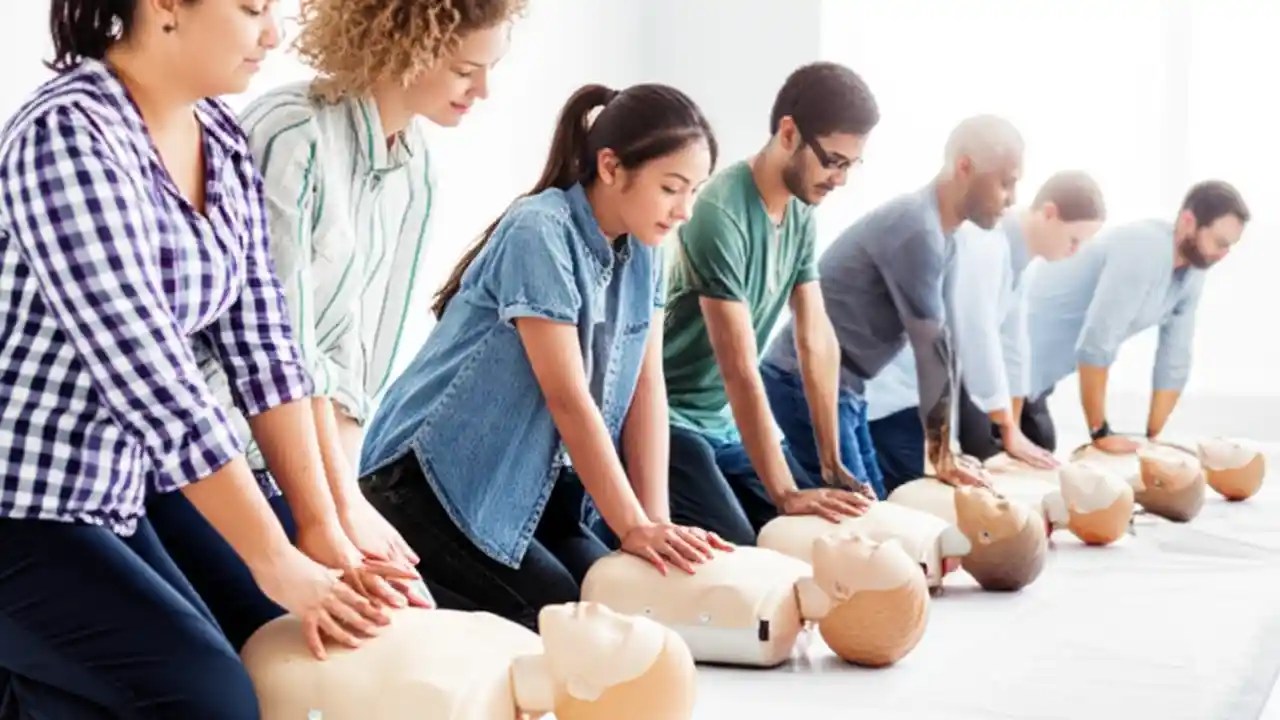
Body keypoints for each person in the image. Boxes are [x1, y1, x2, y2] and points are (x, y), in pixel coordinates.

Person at [0, 1, 414, 717]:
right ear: (165, 6)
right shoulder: (65, 136)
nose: (272, 35)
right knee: (211, 698)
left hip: (122, 485)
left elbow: (265, 345)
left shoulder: (217, 138)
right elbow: (150, 375)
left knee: (267, 637)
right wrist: (276, 559)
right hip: (22, 502)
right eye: (252, 8)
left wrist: (317, 527)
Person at [163, 0, 524, 649]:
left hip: (305, 469)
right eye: (467, 69)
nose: (485, 91)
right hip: (211, 461)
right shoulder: (291, 135)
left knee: (409, 624)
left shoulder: (415, 172)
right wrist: (330, 515)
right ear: (403, 42)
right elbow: (282, 362)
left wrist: (346, 508)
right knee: (318, 640)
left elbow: (354, 367)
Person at [357, 83, 731, 631]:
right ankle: (402, 601)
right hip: (426, 482)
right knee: (562, 620)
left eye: (695, 191)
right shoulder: (542, 229)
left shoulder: (646, 251)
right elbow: (567, 396)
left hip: (530, 490)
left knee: (622, 606)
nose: (685, 211)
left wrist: (656, 526)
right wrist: (628, 527)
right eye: (672, 188)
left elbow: (648, 389)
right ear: (610, 166)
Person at [661, 62, 880, 548]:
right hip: (671, 420)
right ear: (788, 133)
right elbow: (739, 367)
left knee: (815, 533)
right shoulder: (719, 212)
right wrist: (784, 491)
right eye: (833, 160)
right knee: (748, 544)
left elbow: (815, 338)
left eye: (851, 164)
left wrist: (828, 460)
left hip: (725, 424)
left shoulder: (802, 211)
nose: (840, 179)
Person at [760, 115, 1025, 497]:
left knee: (878, 508)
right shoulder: (917, 229)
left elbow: (946, 346)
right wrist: (941, 456)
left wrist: (945, 451)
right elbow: (929, 351)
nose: (1012, 199)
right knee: (861, 517)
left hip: (847, 388)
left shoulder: (944, 236)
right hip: (804, 379)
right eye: (1006, 182)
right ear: (965, 166)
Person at [866, 171, 1108, 469]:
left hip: (935, 387)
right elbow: (978, 336)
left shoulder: (1025, 260)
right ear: (1048, 214)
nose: (1075, 251)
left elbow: (1014, 345)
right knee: (907, 481)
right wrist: (1006, 429)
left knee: (1033, 443)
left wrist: (1013, 432)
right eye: (1074, 240)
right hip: (894, 388)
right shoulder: (984, 242)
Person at [1020, 180, 1249, 454]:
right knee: (1014, 467)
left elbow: (1174, 360)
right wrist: (1100, 432)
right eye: (1220, 242)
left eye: (1230, 247)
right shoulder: (1144, 249)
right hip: (1000, 370)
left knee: (1041, 452)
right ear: (1188, 222)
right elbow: (1095, 344)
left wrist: (1152, 441)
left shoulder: (1193, 273)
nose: (1223, 255)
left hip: (1033, 386)